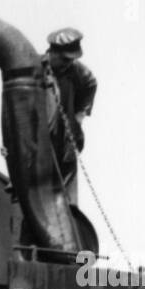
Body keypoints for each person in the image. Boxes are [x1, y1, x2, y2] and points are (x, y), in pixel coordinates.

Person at [44, 27, 97, 206]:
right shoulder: (35, 67)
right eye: (65, 59)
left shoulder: (75, 71)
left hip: (64, 138)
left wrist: (80, 115)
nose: (69, 64)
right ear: (52, 52)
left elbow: (91, 82)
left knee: (65, 181)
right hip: (40, 138)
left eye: (72, 60)